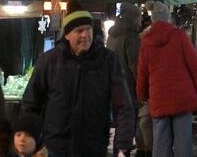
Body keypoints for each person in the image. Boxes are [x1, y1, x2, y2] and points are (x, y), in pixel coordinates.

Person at [22, 9, 134, 157]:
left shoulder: (108, 61)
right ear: (67, 35)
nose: (85, 35)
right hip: (54, 148)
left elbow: (123, 106)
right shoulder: (49, 61)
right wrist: (31, 141)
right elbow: (31, 103)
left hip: (93, 147)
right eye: (79, 30)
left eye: (89, 29)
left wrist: (122, 146)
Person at [137, 1, 197, 157]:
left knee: (160, 144)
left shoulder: (146, 42)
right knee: (183, 143)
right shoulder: (179, 35)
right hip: (182, 97)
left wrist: (142, 94)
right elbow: (194, 65)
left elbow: (142, 73)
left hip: (159, 98)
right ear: (168, 18)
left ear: (153, 19)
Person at [106, 3, 143, 153]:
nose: (141, 20)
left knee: (121, 127)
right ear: (133, 19)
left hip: (114, 87)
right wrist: (142, 89)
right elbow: (136, 67)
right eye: (139, 17)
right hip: (129, 89)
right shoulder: (131, 37)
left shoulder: (112, 35)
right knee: (127, 129)